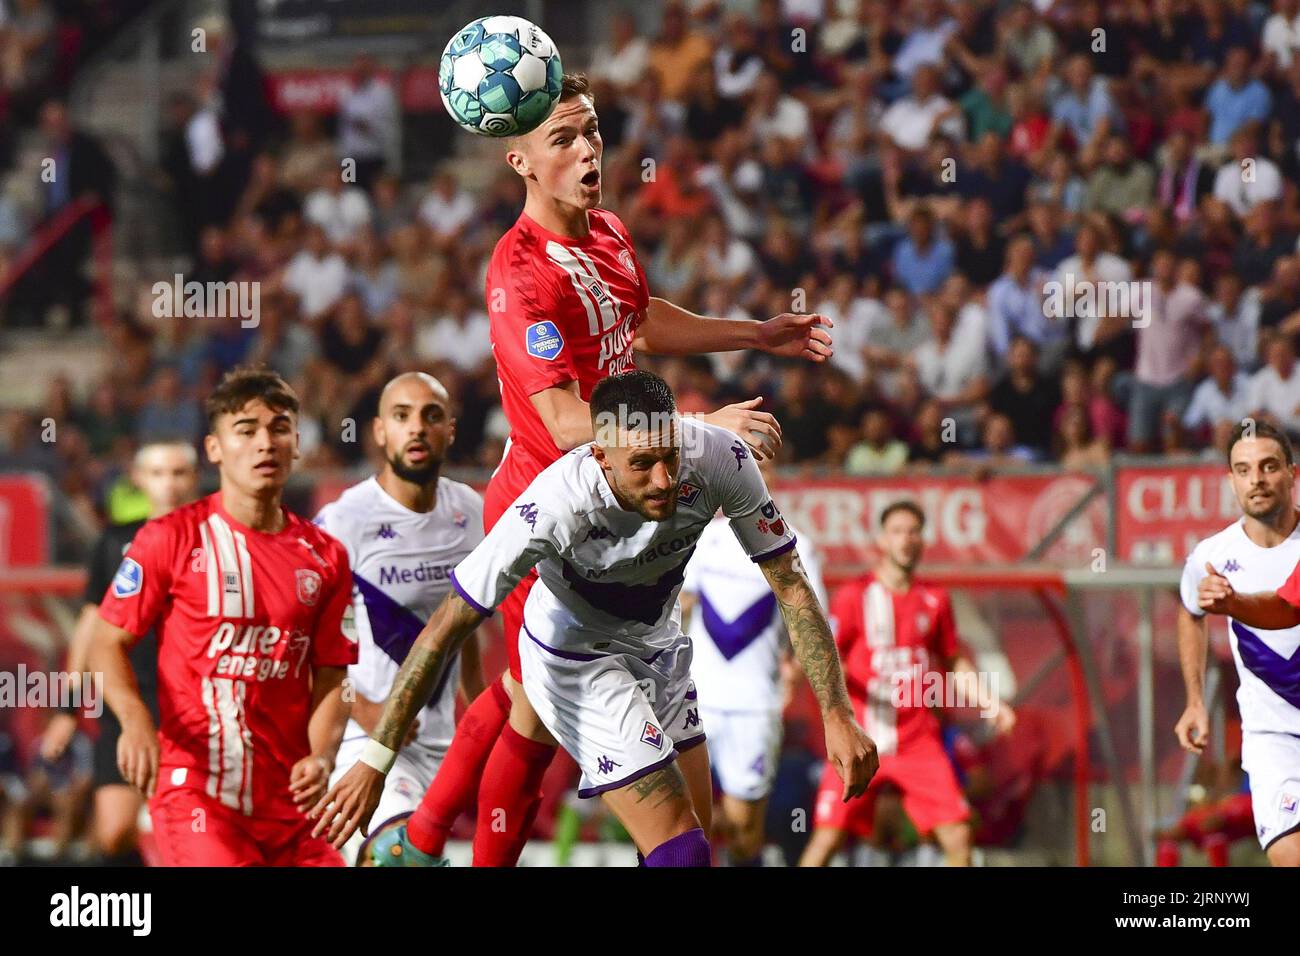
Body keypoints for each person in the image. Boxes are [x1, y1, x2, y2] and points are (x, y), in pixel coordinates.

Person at [395, 71, 835, 868]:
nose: (587, 149)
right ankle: (428, 842)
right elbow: (566, 422)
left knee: (535, 708)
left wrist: (755, 336)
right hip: (551, 510)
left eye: (590, 129)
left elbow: (640, 323)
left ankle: (428, 841)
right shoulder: (517, 273)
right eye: (561, 138)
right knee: (528, 709)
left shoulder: (608, 232)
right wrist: (700, 432)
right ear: (520, 160)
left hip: (626, 499)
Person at [311, 370, 877, 866]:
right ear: (600, 455)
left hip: (661, 648)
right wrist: (375, 759)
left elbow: (793, 588)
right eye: (642, 464)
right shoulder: (551, 506)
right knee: (681, 845)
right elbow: (444, 629)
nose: (663, 481)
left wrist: (836, 713)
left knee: (691, 849)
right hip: (574, 658)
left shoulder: (721, 460)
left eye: (669, 455)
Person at [88, 366, 357, 866]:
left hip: (291, 805)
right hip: (198, 795)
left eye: (279, 428)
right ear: (214, 449)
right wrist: (134, 720)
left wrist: (321, 755)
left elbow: (333, 676)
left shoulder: (327, 557)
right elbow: (106, 642)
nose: (265, 443)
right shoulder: (169, 538)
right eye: (246, 430)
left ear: (297, 443)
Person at [313, 372, 485, 865]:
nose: (417, 428)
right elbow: (299, 636)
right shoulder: (346, 519)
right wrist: (360, 705)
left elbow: (465, 622)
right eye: (402, 416)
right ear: (380, 431)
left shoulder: (468, 511)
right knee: (395, 857)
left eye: (431, 416)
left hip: (440, 743)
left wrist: (477, 712)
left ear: (450, 431)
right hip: (361, 739)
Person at [800, 501, 1014, 867]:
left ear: (922, 541)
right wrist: (838, 712)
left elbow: (953, 661)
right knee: (827, 839)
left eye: (914, 531)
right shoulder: (854, 596)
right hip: (862, 741)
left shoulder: (936, 599)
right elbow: (827, 659)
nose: (906, 539)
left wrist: (990, 703)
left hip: (918, 741)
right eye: (898, 531)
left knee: (958, 836)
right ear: (882, 541)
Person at [40, 441, 199, 865]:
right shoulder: (115, 543)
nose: (169, 484)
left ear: (196, 478)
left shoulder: (215, 539)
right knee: (113, 832)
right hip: (125, 698)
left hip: (192, 706)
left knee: (184, 834)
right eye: (159, 473)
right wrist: (66, 710)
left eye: (180, 473)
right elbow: (90, 629)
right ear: (139, 479)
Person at [677, 451, 827, 865]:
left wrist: (794, 676)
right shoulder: (703, 538)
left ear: (771, 479)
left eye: (758, 472)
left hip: (754, 706)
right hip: (696, 703)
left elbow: (811, 631)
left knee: (745, 828)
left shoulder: (797, 548)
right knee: (686, 825)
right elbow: (678, 605)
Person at [1185, 420, 1300, 866]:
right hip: (1275, 737)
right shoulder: (1210, 555)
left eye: (1270, 466)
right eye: (1245, 469)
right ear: (1231, 480)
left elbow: (1285, 608)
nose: (1258, 479)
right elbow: (1190, 612)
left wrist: (1233, 603)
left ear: (1292, 472)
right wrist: (1195, 700)